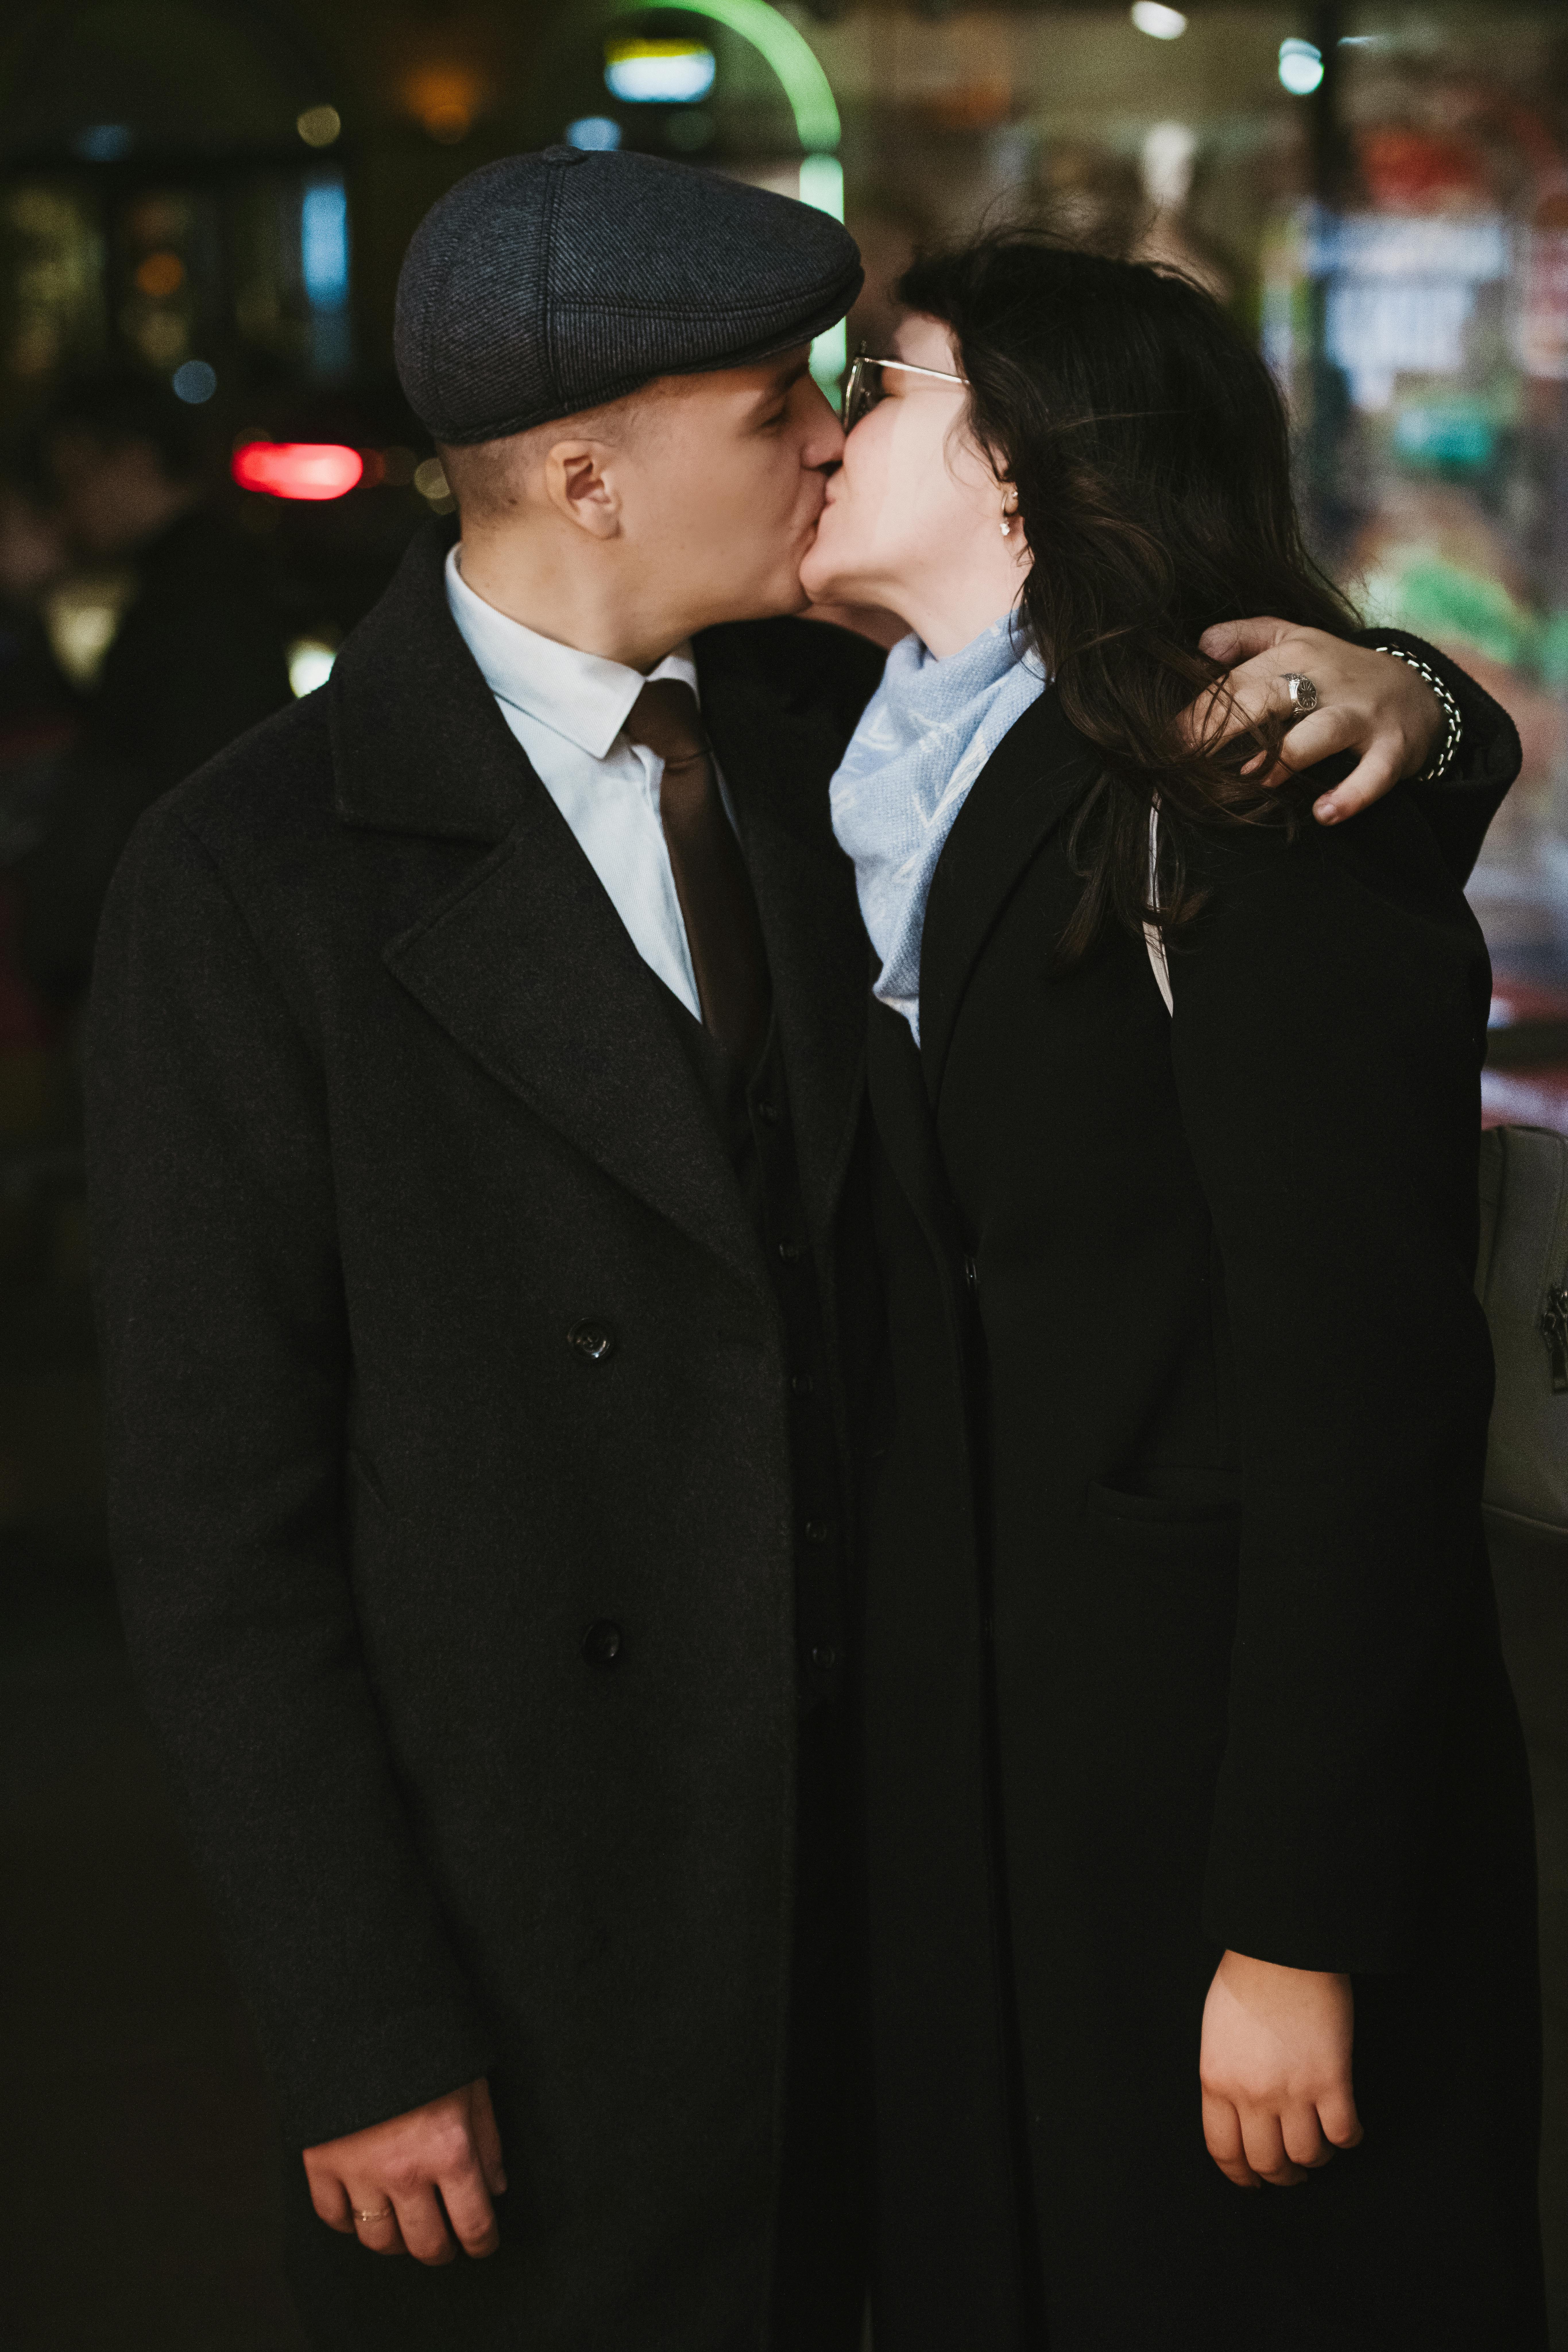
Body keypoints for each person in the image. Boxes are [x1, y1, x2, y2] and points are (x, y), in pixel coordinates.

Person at [84, 153, 1516, 2351]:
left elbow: (1153, 700)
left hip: (894, 1882)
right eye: (777, 402)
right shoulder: (255, 873)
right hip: (547, 1924)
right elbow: (219, 1526)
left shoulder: (814, 739)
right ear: (585, 468)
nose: (832, 436)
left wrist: (1416, 686)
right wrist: (358, 2018)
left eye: (851, 386)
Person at [800, 233, 1545, 2349]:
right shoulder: (840, 762)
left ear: (1038, 446)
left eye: (881, 377)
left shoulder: (1240, 792)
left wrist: (1300, 1923)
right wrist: (1425, 682)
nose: (831, 421)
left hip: (1224, 1798)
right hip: (984, 1790)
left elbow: (1365, 1396)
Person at [16, 371, 291, 1007]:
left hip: (171, 960)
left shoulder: (195, 599)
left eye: (76, 476)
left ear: (134, 461)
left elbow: (178, 774)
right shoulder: (195, 581)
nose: (69, 505)